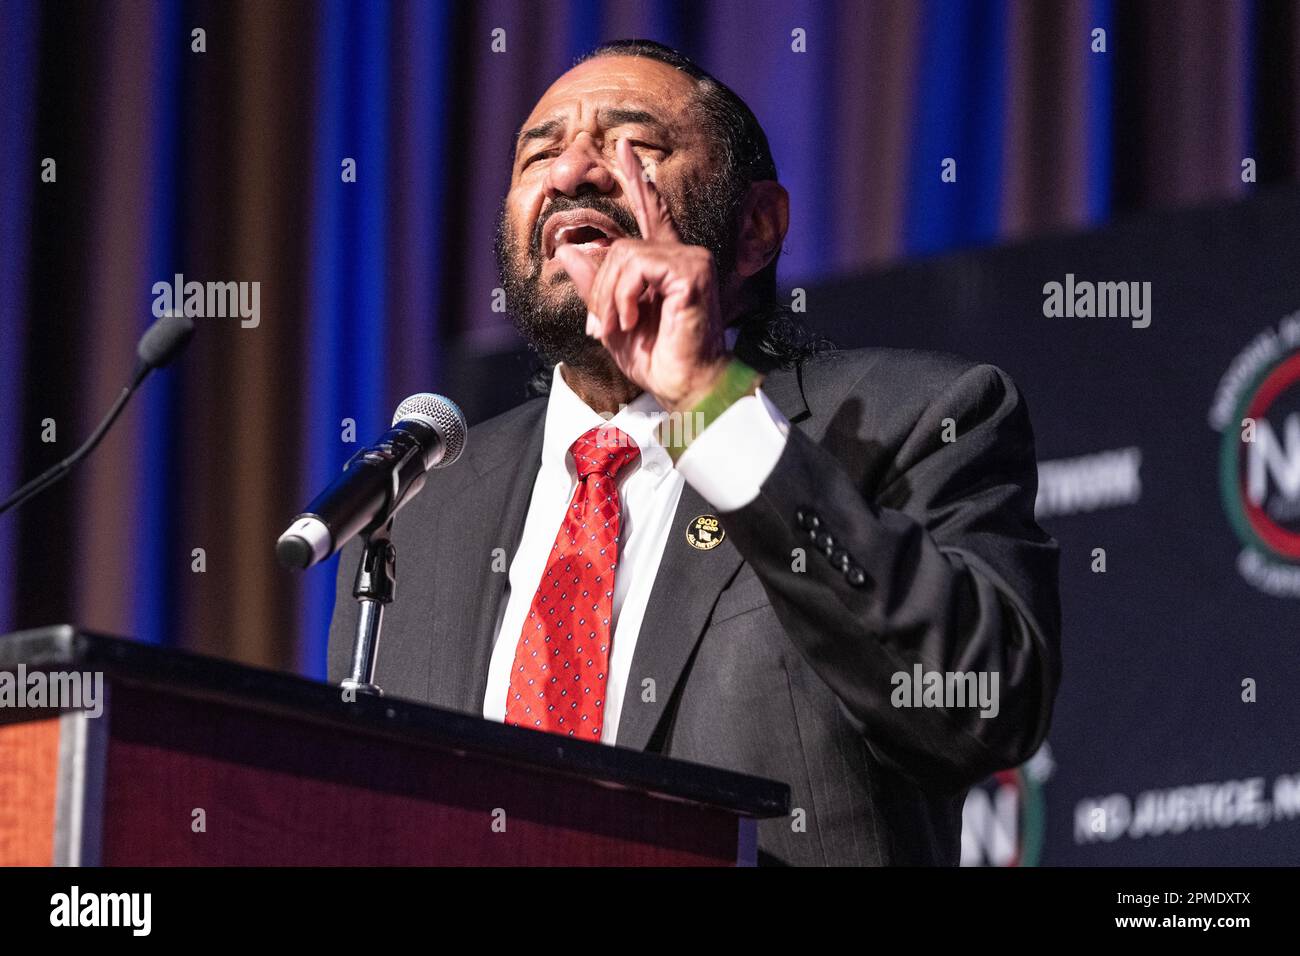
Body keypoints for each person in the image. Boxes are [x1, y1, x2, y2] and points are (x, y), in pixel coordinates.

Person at [329, 39, 1061, 865]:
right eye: (540, 152)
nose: (572, 172)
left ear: (757, 228)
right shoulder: (428, 504)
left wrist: (707, 405)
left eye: (632, 144)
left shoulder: (914, 417)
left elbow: (984, 704)